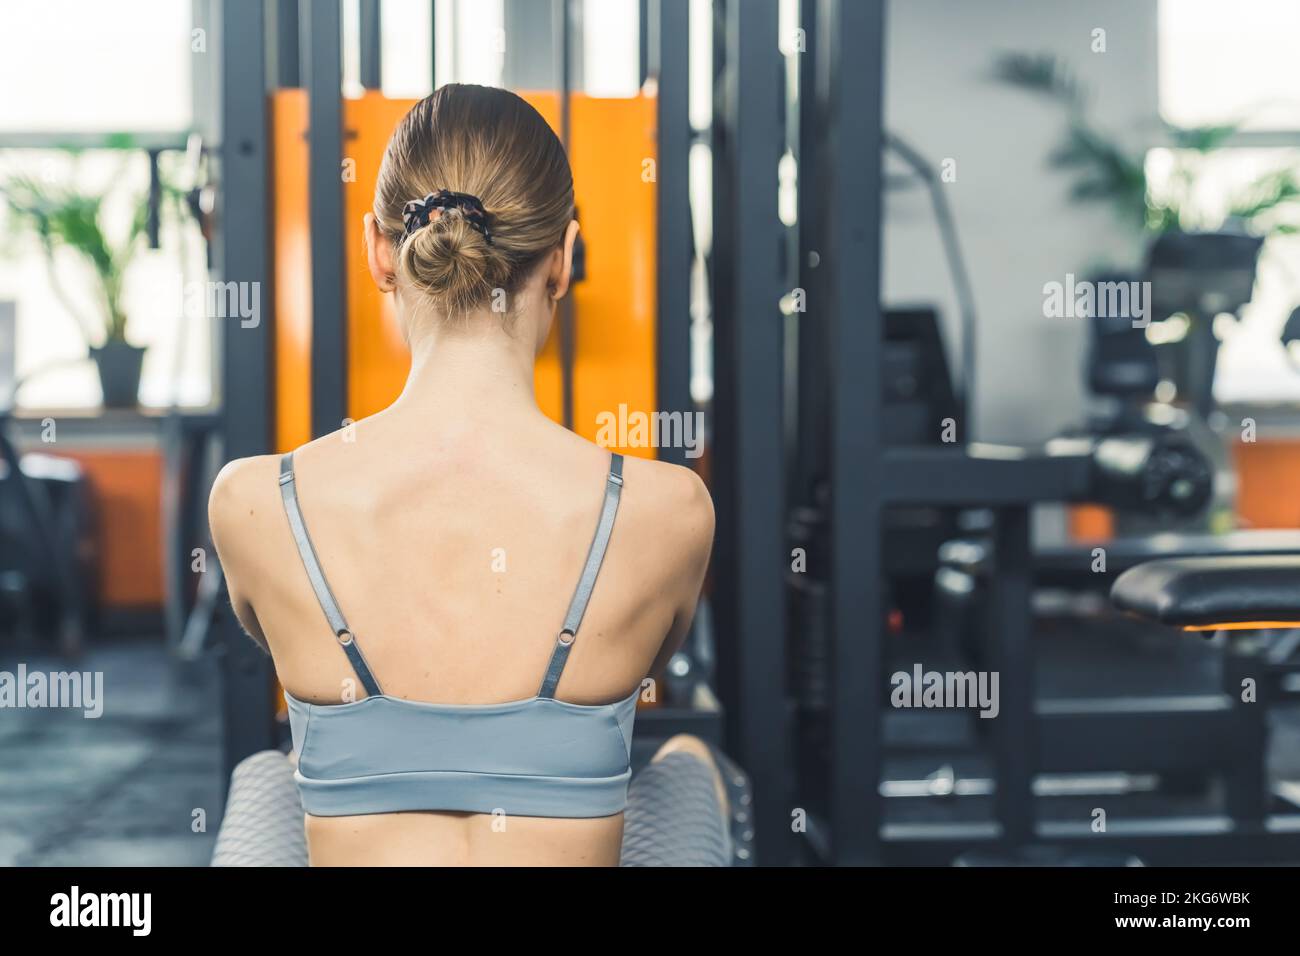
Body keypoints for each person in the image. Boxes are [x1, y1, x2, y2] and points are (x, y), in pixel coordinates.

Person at [208, 83, 726, 866]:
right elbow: (650, 661)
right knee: (689, 760)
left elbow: (273, 640)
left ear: (379, 252)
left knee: (269, 772)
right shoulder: (671, 510)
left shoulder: (252, 502)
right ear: (562, 259)